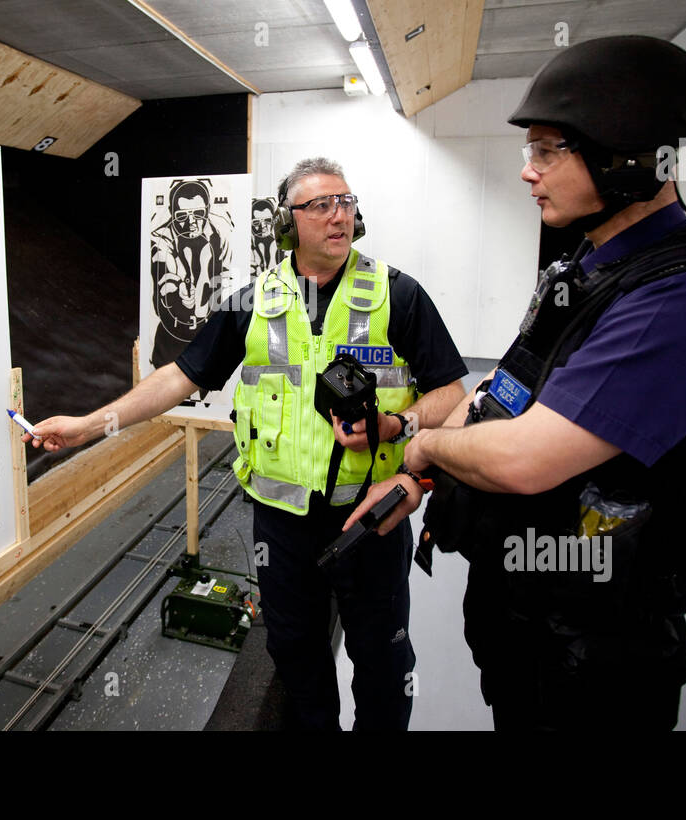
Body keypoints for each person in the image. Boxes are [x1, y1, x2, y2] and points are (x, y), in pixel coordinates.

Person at [345, 36, 686, 730]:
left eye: (545, 151)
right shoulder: (588, 275)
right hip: (528, 625)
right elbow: (502, 395)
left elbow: (525, 457)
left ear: (623, 156)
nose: (527, 172)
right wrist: (421, 472)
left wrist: (423, 453)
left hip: (597, 660)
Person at [27, 157, 466, 729]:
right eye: (321, 205)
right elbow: (178, 377)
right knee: (295, 654)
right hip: (281, 524)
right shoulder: (251, 302)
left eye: (347, 201)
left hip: (370, 516)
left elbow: (452, 394)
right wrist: (89, 424)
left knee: (383, 663)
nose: (340, 215)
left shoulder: (398, 295)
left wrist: (398, 425)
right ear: (289, 224)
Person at [149, 177, 231, 369]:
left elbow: (230, 274)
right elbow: (164, 276)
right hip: (172, 338)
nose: (191, 222)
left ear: (208, 210)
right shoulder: (161, 239)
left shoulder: (222, 233)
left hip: (213, 334)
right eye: (182, 216)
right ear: (171, 213)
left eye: (198, 214)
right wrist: (177, 289)